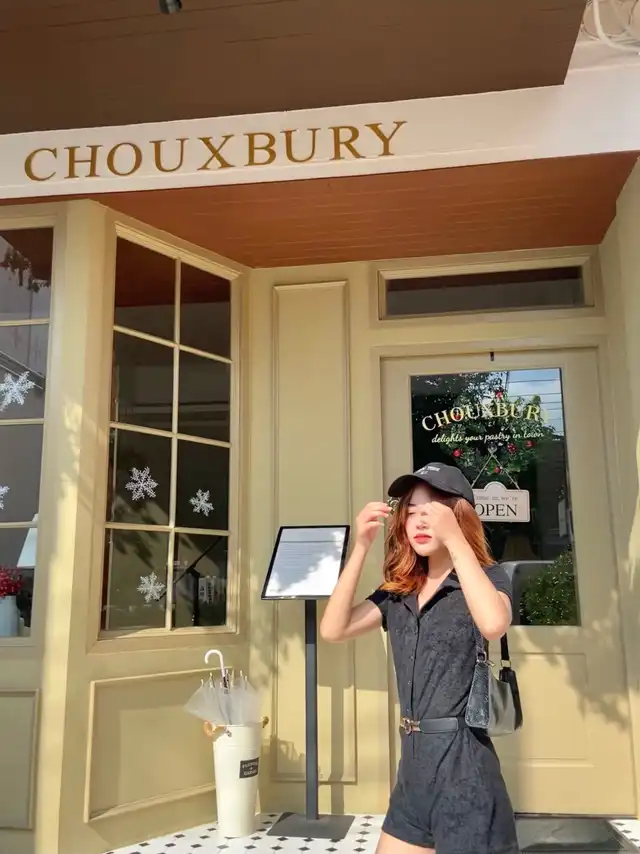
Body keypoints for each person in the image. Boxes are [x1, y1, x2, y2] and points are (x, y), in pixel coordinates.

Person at [320, 462, 519, 854]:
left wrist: (457, 539)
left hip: (464, 769)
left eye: (432, 511)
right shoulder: (399, 591)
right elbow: (333, 628)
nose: (419, 521)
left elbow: (494, 623)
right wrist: (361, 546)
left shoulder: (485, 578)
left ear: (457, 514)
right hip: (413, 769)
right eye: (410, 512)